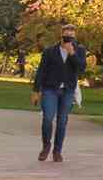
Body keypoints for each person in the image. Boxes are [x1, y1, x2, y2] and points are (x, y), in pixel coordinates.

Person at [30, 25, 86, 163]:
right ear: (61, 35)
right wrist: (36, 91)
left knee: (62, 121)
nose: (69, 39)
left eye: (71, 36)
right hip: (50, 89)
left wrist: (72, 53)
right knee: (48, 118)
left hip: (68, 90)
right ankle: (46, 146)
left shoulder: (79, 50)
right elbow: (41, 71)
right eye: (66, 36)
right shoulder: (50, 51)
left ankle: (57, 151)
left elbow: (81, 68)